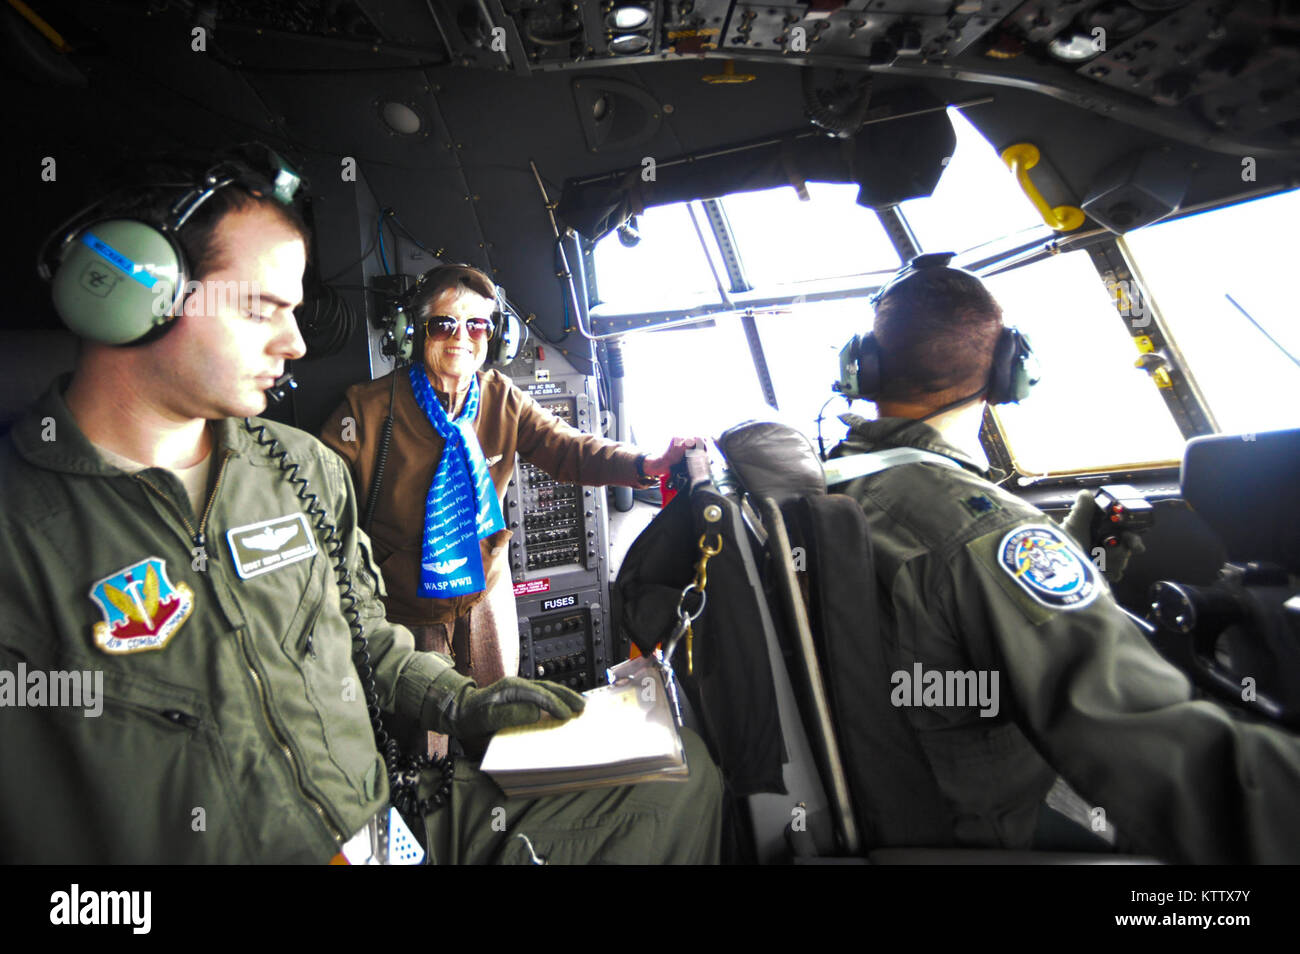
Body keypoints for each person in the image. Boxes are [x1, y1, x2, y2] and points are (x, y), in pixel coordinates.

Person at [0, 147, 721, 864]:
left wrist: (467, 705)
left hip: (377, 826)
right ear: (135, 292)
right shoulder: (24, 534)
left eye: (477, 328)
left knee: (683, 774)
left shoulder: (300, 466)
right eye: (260, 308)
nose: (296, 341)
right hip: (288, 807)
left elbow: (363, 629)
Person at [826, 254, 1300, 863]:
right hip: (993, 824)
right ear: (1009, 372)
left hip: (896, 794)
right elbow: (1145, 744)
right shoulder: (988, 531)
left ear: (862, 366)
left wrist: (1064, 550)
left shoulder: (836, 484)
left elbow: (945, 612)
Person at [318, 265, 699, 746]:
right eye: (444, 324)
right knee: (421, 751)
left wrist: (648, 464)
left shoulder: (501, 398)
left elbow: (570, 449)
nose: (462, 337)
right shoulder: (366, 410)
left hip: (486, 602)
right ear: (415, 332)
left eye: (476, 325)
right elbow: (318, 507)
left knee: (501, 734)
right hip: (408, 613)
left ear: (493, 338)